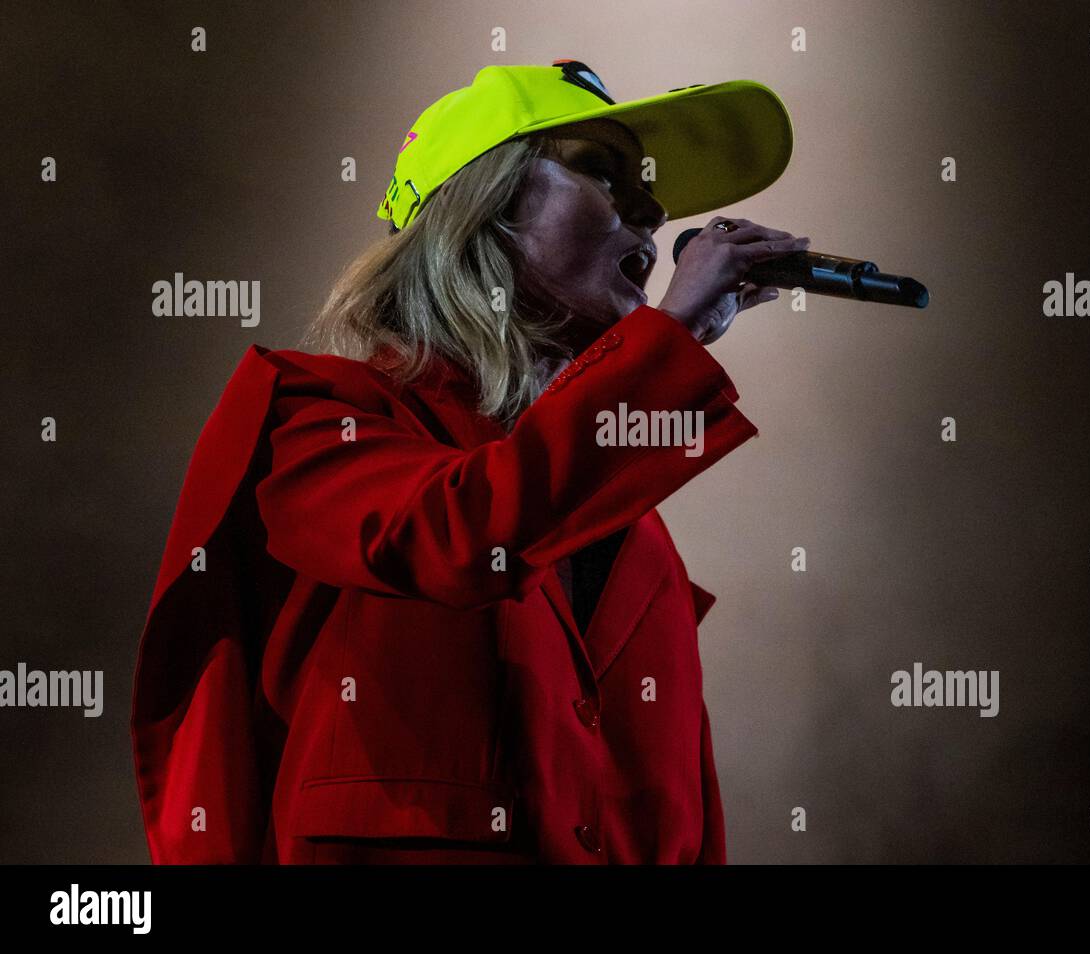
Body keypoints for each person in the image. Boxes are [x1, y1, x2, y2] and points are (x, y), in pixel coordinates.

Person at [130, 59, 805, 864]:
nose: (654, 212)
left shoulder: (636, 533)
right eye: (602, 171)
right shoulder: (319, 414)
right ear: (481, 210)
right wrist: (670, 342)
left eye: (647, 193)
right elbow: (454, 533)